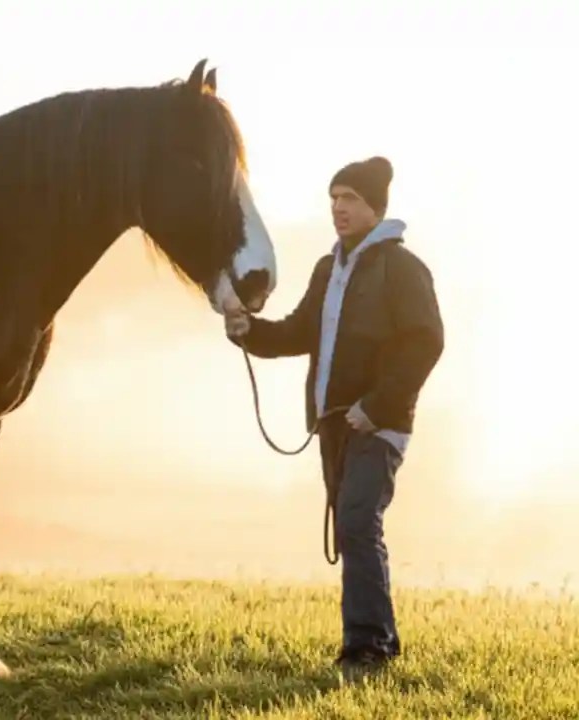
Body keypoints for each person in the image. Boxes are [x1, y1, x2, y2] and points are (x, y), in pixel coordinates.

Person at [223, 156, 444, 684]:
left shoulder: (402, 268)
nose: (339, 208)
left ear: (375, 207)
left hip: (378, 425)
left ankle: (366, 649)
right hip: (333, 425)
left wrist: (378, 406)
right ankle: (377, 641)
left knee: (356, 522)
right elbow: (301, 332)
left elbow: (426, 342)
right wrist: (247, 331)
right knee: (354, 529)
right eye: (334, 198)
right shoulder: (330, 269)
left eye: (350, 199)